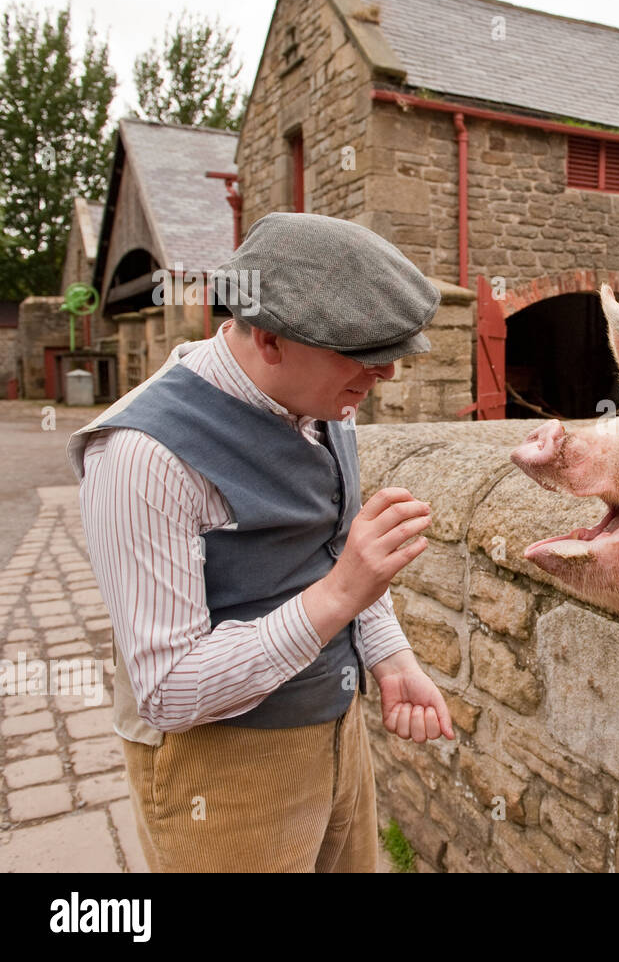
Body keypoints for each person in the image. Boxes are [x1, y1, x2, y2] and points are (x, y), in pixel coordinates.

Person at [67, 212, 453, 872]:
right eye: (361, 354)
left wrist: (389, 658)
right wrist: (338, 596)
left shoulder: (327, 398)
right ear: (270, 337)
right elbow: (166, 688)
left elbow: (335, 547)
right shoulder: (142, 454)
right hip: (222, 771)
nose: (384, 373)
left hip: (338, 735)